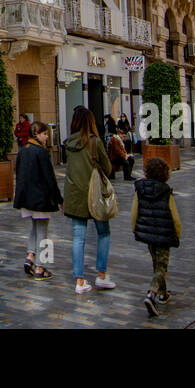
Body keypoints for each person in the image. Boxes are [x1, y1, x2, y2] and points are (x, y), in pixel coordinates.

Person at [62, 105, 116, 294]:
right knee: (104, 233)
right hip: (95, 195)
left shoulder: (68, 143)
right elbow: (108, 169)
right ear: (90, 122)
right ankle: (101, 275)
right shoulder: (95, 142)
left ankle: (79, 281)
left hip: (74, 195)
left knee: (78, 237)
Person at [132, 155, 181, 318]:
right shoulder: (166, 191)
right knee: (162, 265)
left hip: (148, 233)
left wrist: (135, 229)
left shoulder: (140, 189)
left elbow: (134, 211)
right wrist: (177, 232)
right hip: (164, 233)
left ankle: (163, 293)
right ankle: (151, 293)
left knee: (157, 263)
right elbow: (174, 215)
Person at [14, 121, 63, 278]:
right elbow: (50, 178)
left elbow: (18, 173)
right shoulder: (41, 152)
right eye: (44, 134)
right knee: (43, 230)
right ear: (37, 135)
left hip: (27, 197)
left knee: (35, 228)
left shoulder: (23, 151)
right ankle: (41, 267)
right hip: (41, 197)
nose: (47, 137)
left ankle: (30, 256)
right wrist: (59, 199)